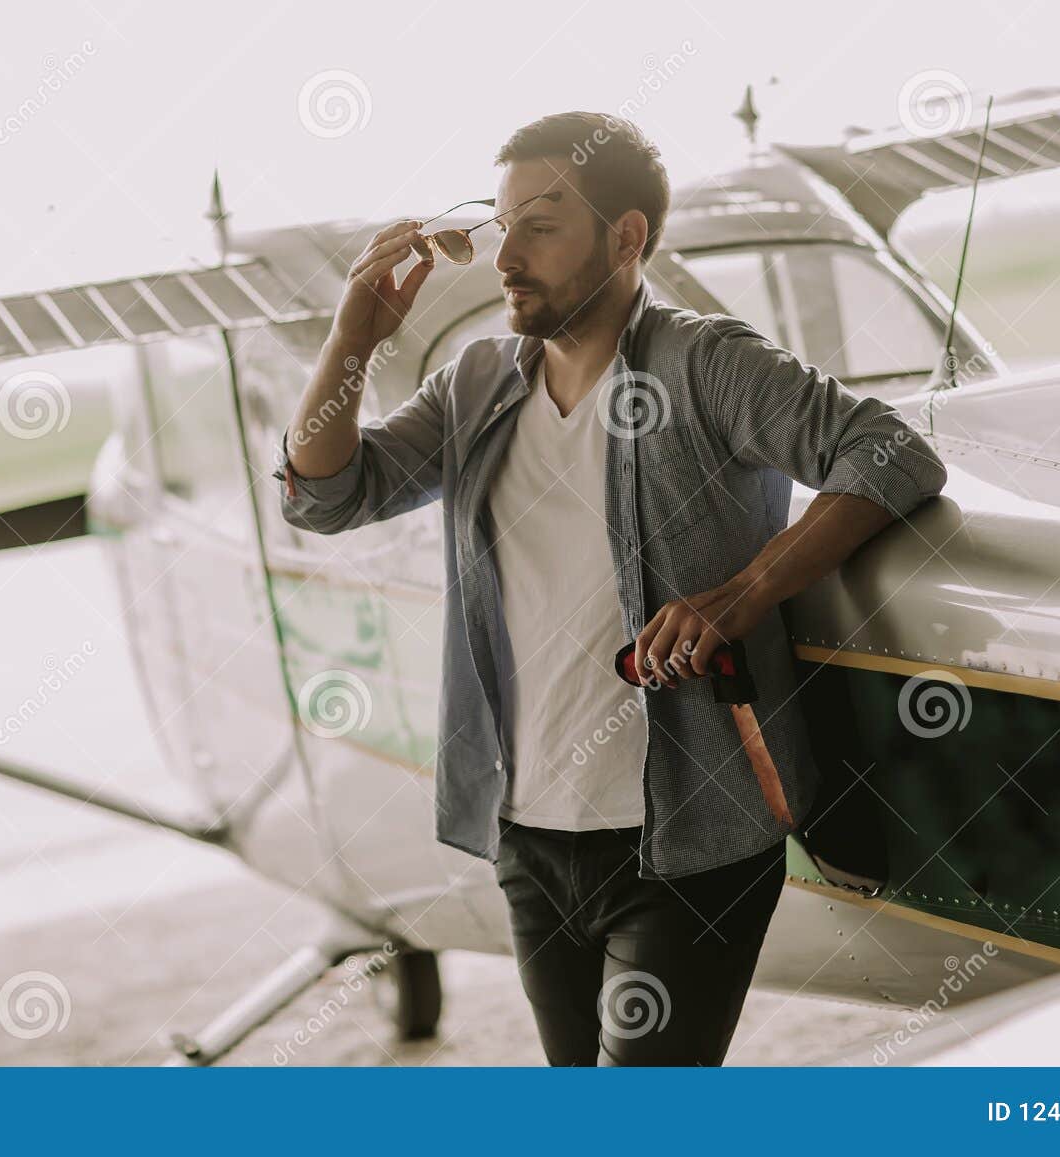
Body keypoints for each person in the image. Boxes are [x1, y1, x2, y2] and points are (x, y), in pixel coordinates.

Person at [276, 111, 947, 1065]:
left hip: (687, 837)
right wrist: (355, 336)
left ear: (626, 237)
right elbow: (326, 496)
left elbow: (891, 450)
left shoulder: (706, 363)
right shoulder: (476, 385)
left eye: (541, 225)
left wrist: (743, 591)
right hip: (529, 840)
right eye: (502, 224)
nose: (507, 255)